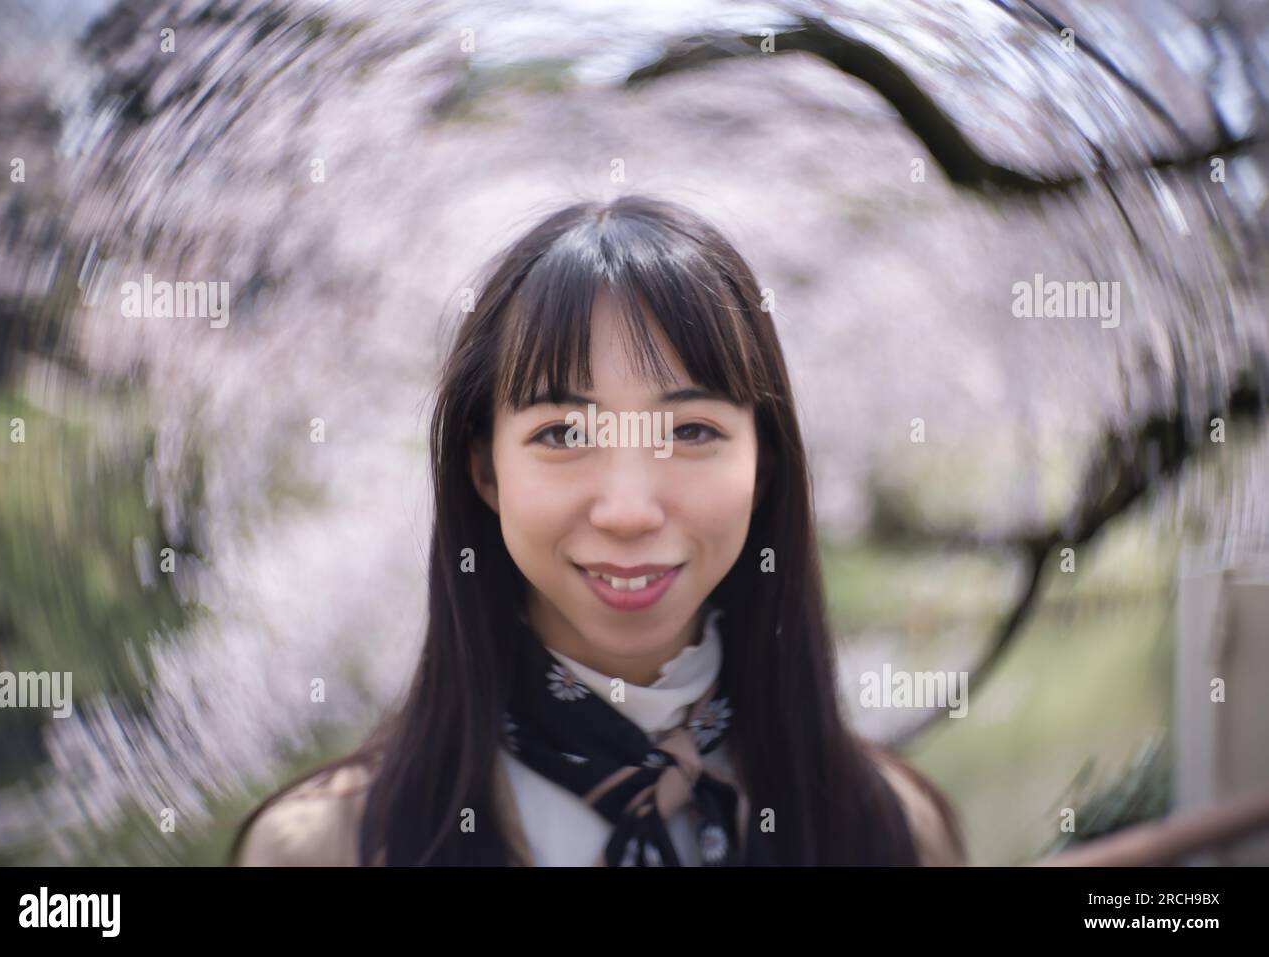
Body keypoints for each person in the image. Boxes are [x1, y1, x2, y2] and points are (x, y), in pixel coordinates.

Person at [232, 195, 966, 866]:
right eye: (563, 432)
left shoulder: (892, 832)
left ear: (764, 467)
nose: (628, 510)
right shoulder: (330, 847)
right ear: (485, 472)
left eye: (692, 430)